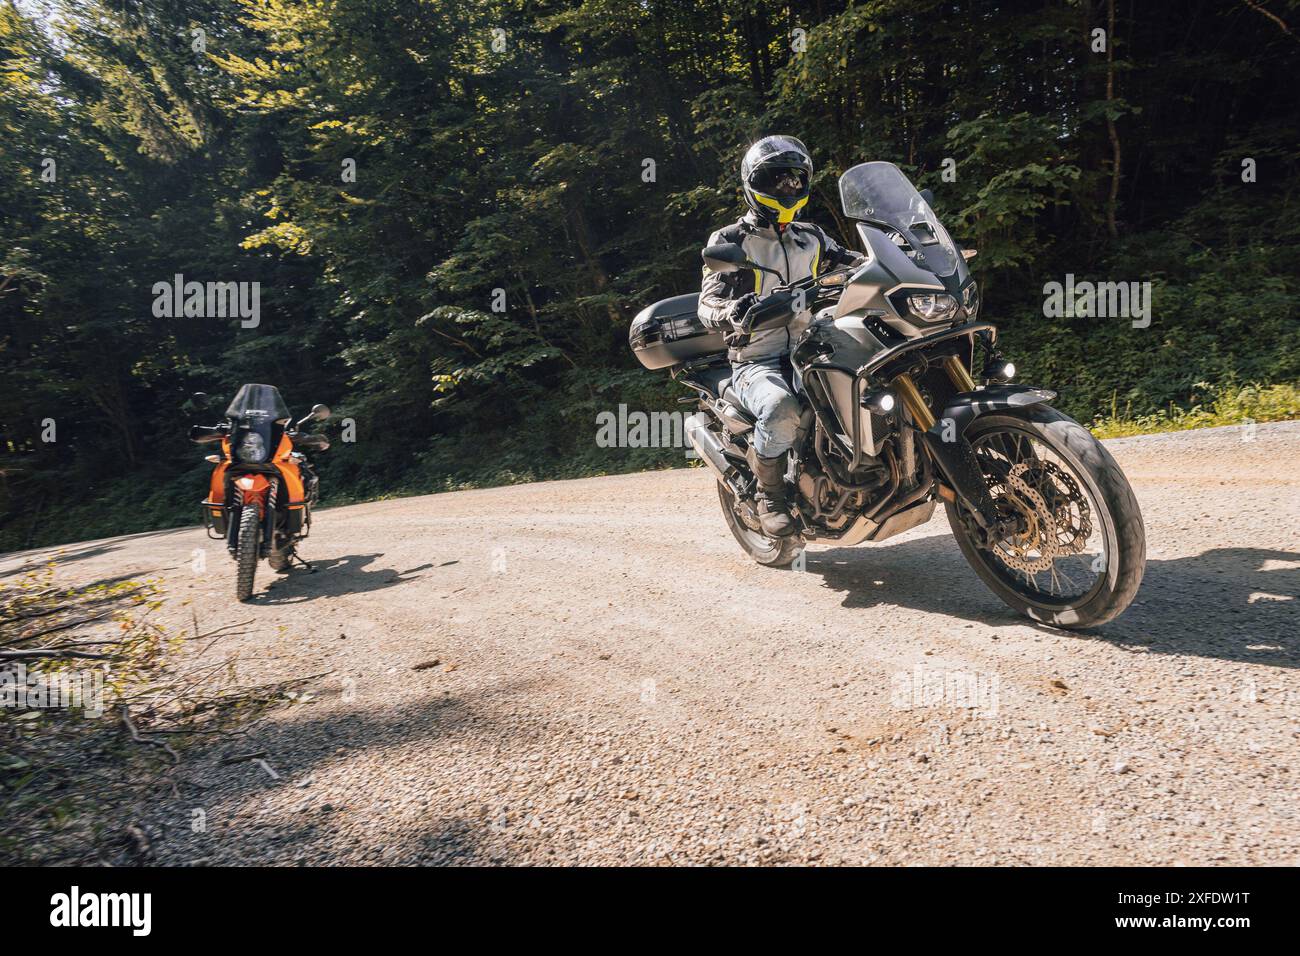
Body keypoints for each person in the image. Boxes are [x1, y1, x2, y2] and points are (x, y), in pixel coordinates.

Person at [698, 135, 864, 536]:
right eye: (777, 180)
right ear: (755, 184)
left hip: (811, 343)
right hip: (757, 356)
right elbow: (706, 307)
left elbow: (858, 263)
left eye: (795, 180)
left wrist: (897, 251)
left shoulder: (812, 236)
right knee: (780, 407)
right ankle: (768, 495)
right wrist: (732, 312)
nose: (788, 188)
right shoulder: (731, 241)